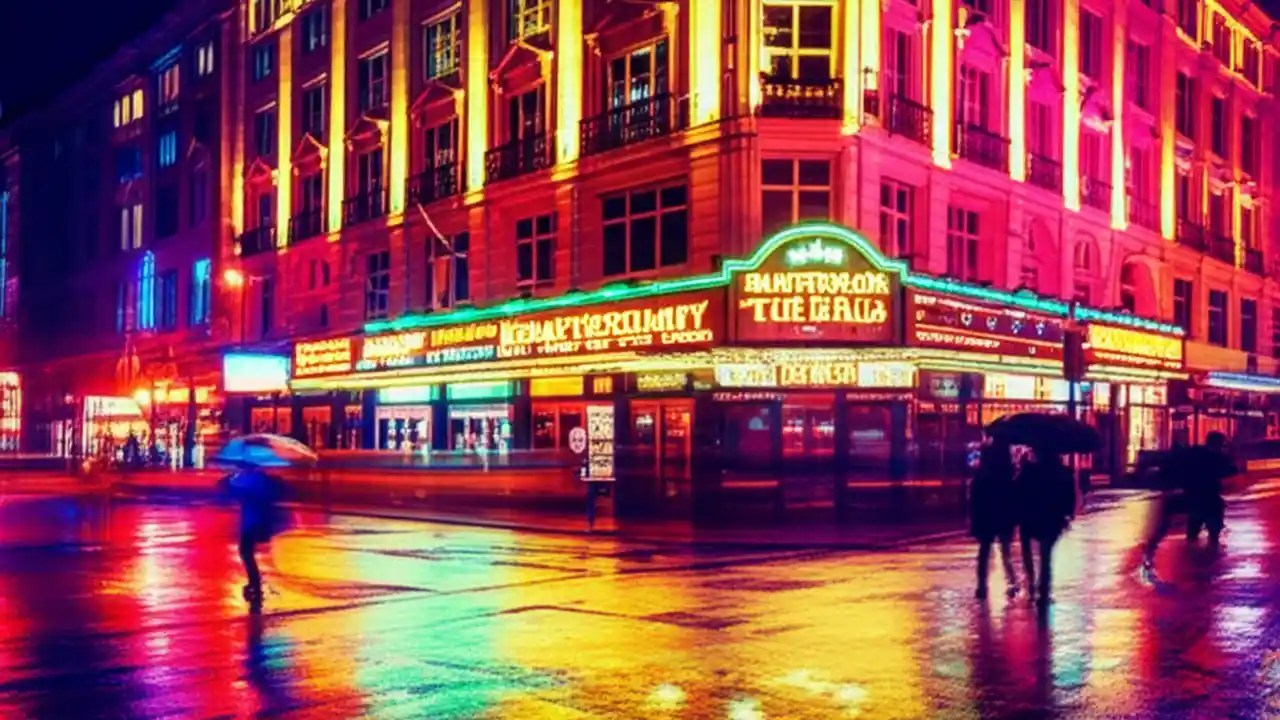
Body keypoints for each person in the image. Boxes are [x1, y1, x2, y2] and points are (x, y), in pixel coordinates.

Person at [1016, 447, 1076, 607]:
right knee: (1046, 556)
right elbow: (1069, 495)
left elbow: (1017, 491)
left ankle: (1032, 584)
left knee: (1027, 550)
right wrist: (1068, 513)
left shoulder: (1028, 471)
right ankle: (1043, 590)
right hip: (1051, 518)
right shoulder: (1061, 473)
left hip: (1029, 516)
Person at [222, 464, 284, 604]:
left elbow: (235, 491)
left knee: (245, 552)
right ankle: (254, 583)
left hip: (250, 521)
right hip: (253, 520)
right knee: (246, 552)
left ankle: (255, 584)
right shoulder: (259, 478)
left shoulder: (251, 479)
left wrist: (230, 481)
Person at [970, 438, 1020, 600]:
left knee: (984, 551)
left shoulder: (982, 475)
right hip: (1004, 516)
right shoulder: (1008, 474)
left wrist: (974, 519)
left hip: (986, 517)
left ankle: (982, 586)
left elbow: (975, 498)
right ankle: (1011, 582)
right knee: (1005, 552)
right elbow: (1013, 497)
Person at [1184, 431, 1236, 545]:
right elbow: (1230, 471)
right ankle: (1210, 553)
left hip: (1197, 496)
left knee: (1193, 530)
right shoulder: (1217, 458)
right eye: (1222, 444)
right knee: (1212, 530)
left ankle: (1192, 552)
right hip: (1209, 497)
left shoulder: (1196, 454)